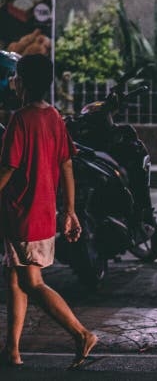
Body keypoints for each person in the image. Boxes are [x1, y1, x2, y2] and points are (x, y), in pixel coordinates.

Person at [0, 54, 97, 369]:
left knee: (32, 282)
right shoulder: (54, 117)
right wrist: (69, 210)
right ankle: (12, 350)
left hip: (23, 214)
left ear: (22, 83)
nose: (13, 82)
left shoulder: (20, 119)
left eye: (15, 77)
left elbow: (8, 168)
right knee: (15, 277)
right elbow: (66, 164)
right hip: (41, 212)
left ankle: (81, 334)